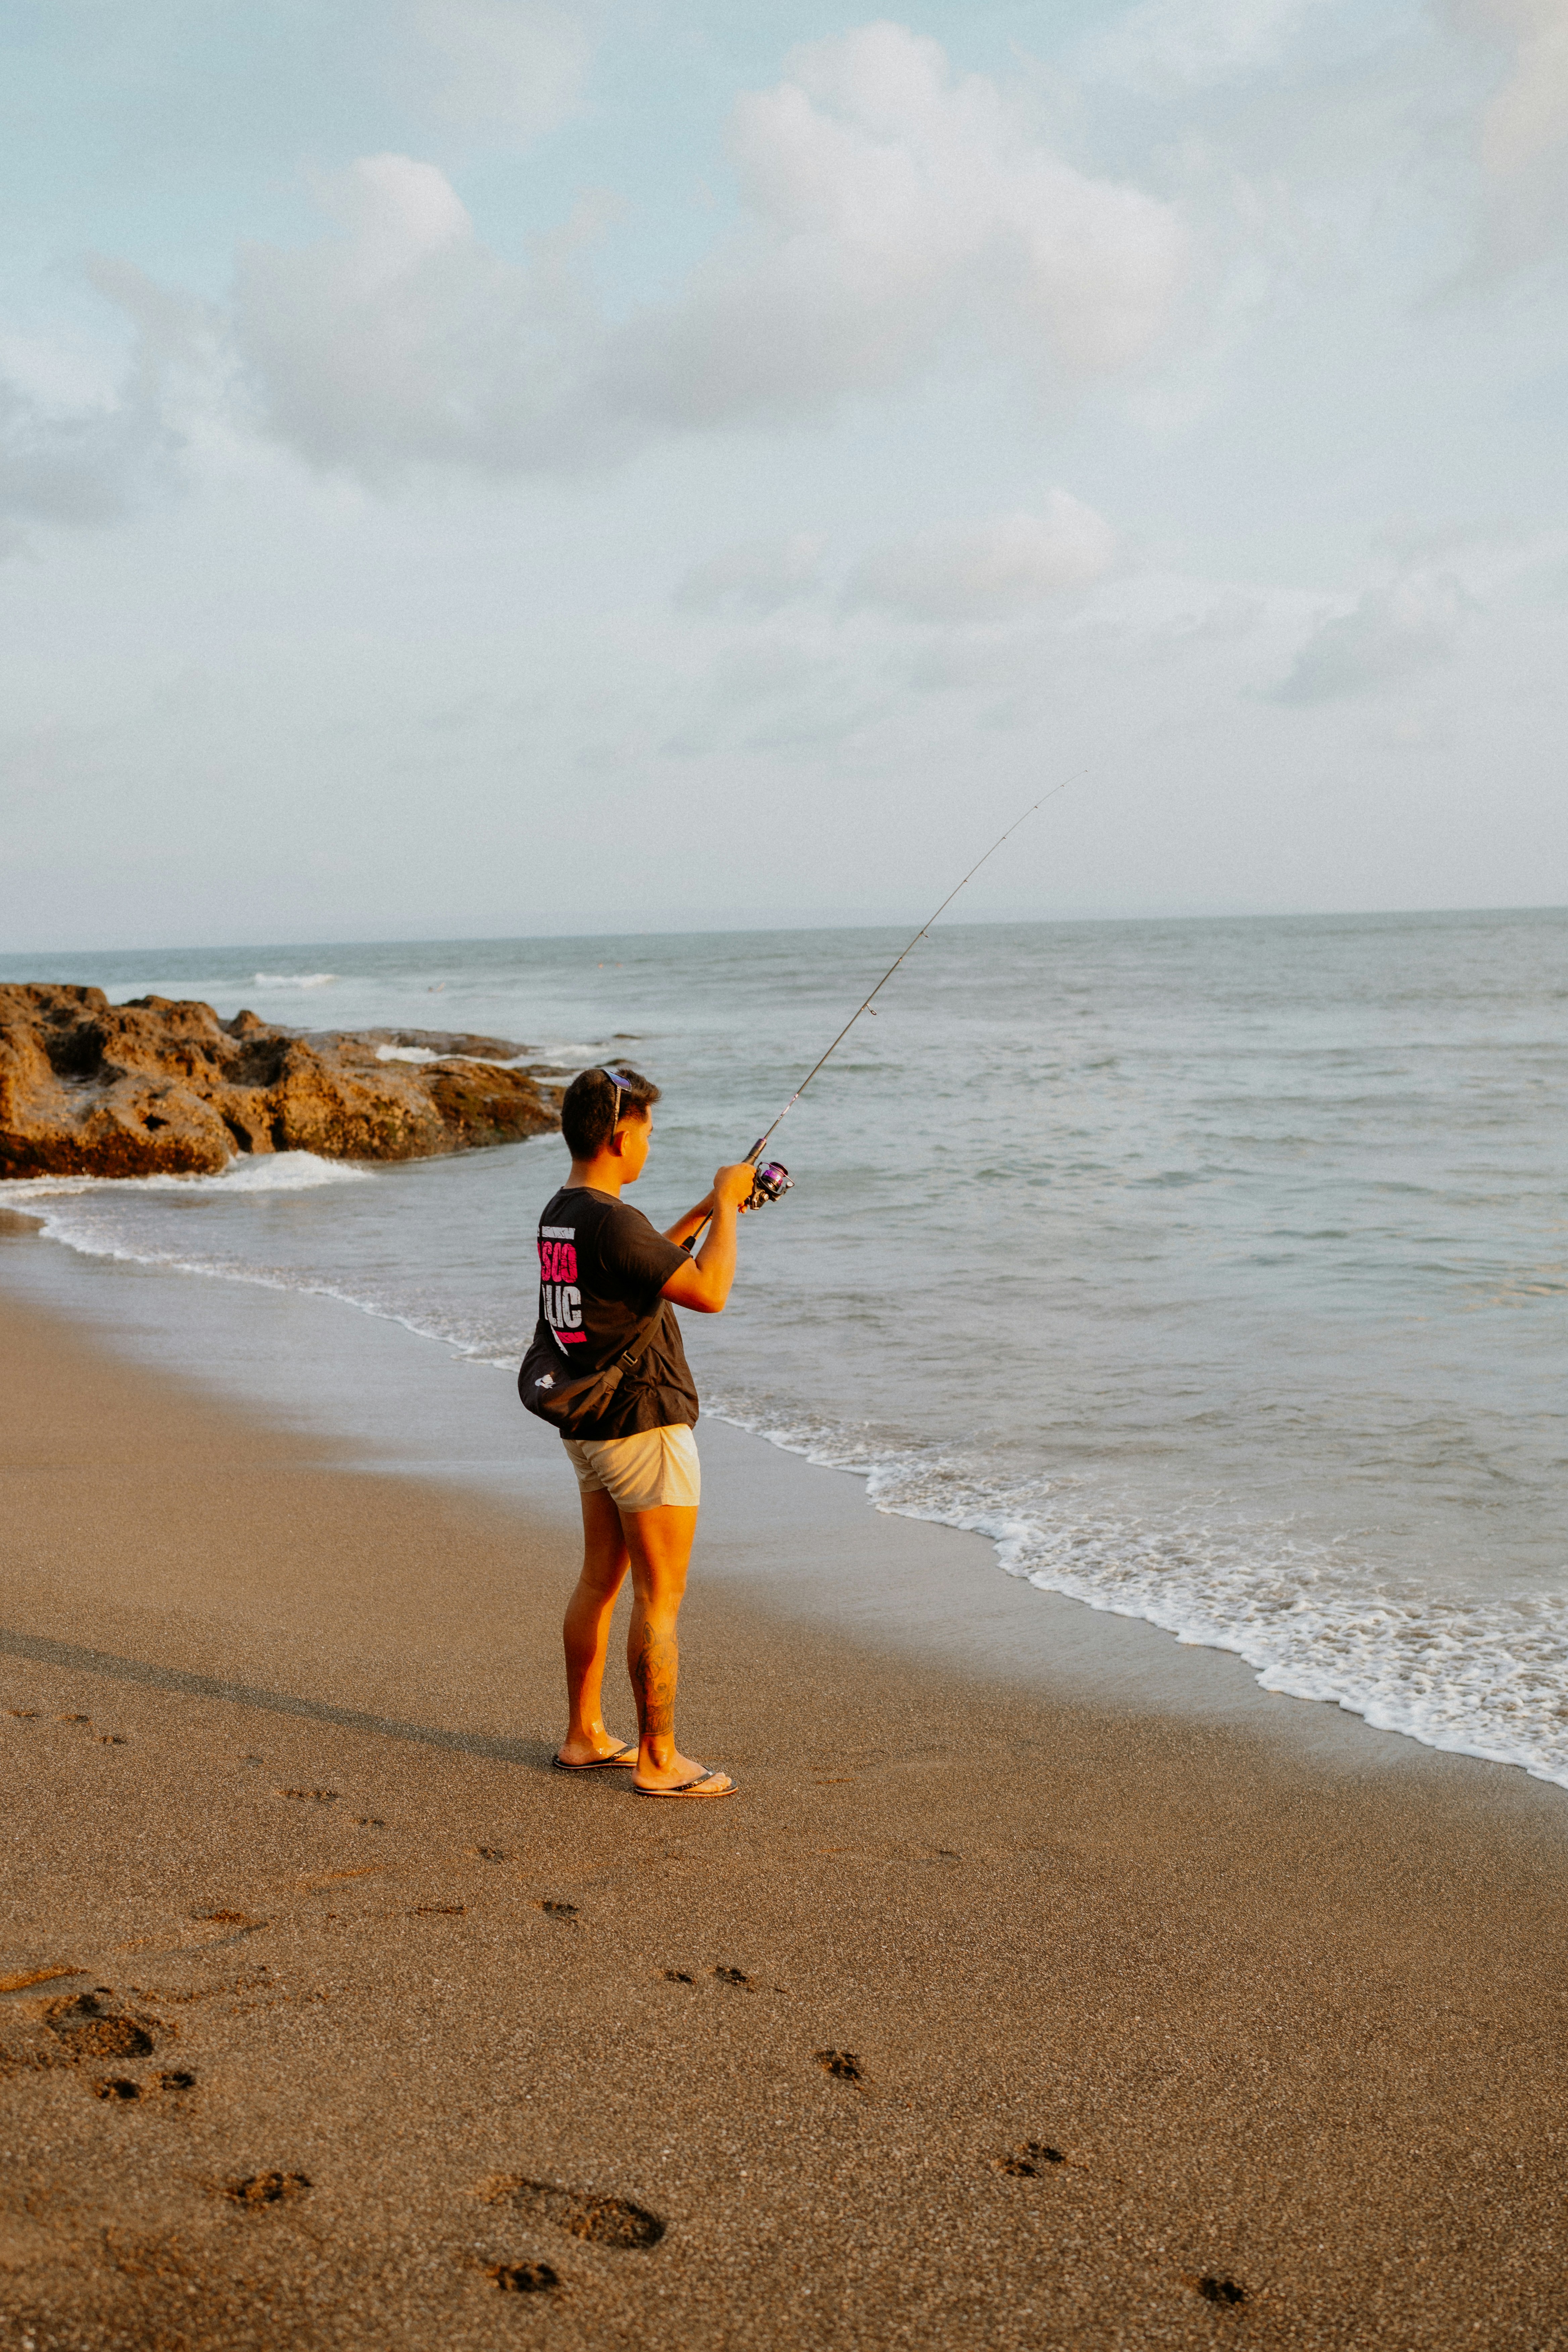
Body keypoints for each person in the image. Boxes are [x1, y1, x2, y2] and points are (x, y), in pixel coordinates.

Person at [519, 1065, 756, 1798]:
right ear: (622, 1136)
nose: (650, 1143)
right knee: (660, 1597)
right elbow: (708, 1292)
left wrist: (710, 1213)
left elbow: (640, 1261)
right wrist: (728, 1206)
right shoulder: (613, 1222)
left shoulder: (566, 1211)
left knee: (601, 1579)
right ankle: (658, 1758)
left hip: (588, 1426)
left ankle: (585, 1735)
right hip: (641, 1426)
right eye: (648, 1131)